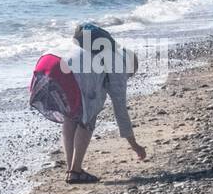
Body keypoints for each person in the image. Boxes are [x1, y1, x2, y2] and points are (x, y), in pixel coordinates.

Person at [30, 23, 146, 184]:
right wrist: (135, 145)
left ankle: (71, 169)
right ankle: (75, 171)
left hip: (47, 61)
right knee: (88, 117)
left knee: (70, 116)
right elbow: (120, 111)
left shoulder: (102, 51)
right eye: (129, 75)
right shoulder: (119, 65)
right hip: (68, 71)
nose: (126, 78)